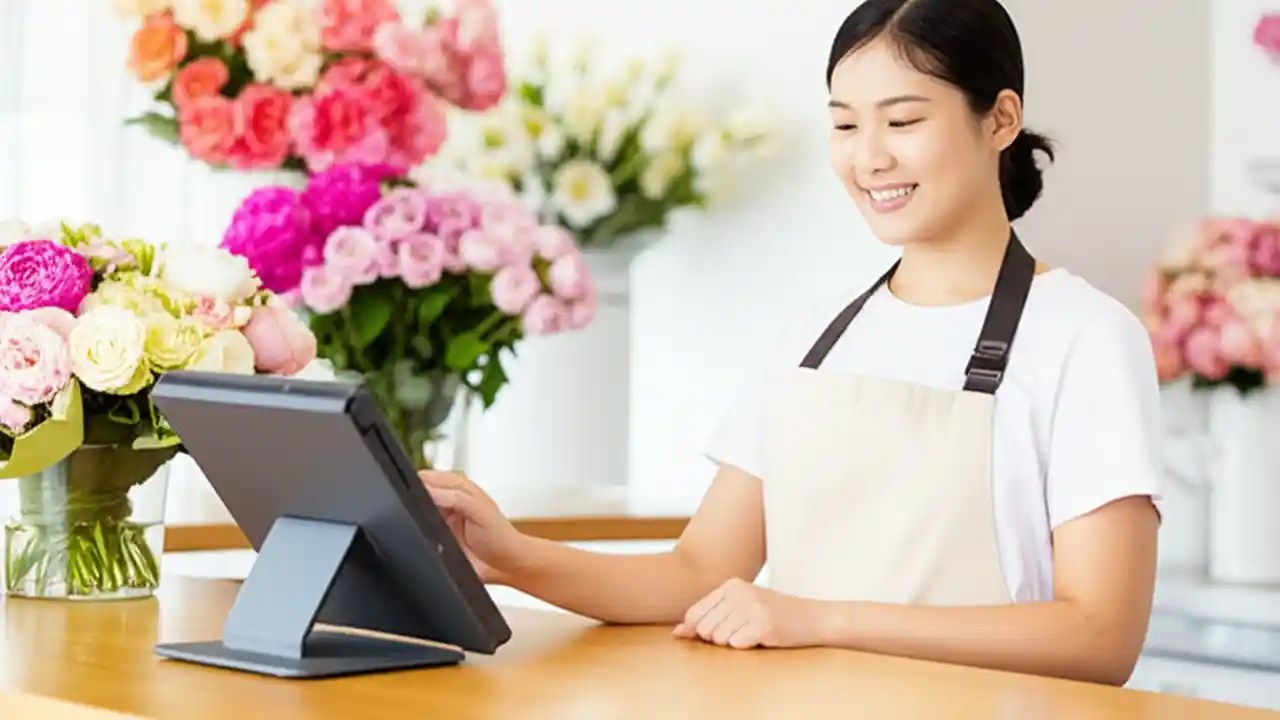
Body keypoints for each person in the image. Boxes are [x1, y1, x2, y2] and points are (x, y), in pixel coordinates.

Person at [421, 0, 1162, 687]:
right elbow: (698, 570)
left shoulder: (1086, 337)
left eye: (902, 122)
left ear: (1000, 120)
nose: (869, 158)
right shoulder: (818, 334)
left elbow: (1100, 636)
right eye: (845, 125)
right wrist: (513, 556)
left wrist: (817, 618)